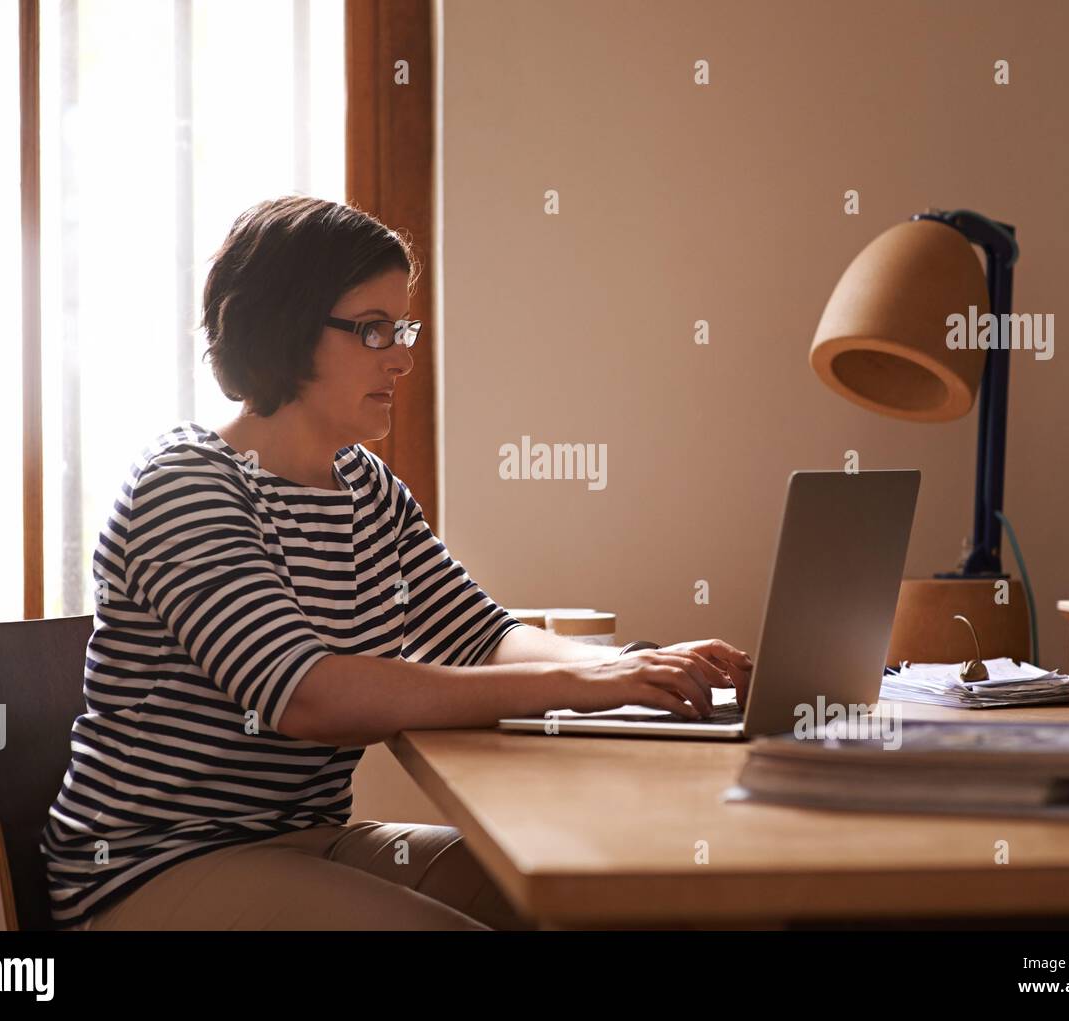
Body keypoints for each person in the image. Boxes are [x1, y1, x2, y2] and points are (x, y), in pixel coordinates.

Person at [39, 195, 753, 930]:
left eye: (400, 327)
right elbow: (307, 694)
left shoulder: (367, 488)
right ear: (285, 326)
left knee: (601, 898)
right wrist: (587, 681)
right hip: (151, 866)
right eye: (372, 330)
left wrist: (640, 667)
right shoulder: (186, 483)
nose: (404, 356)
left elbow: (481, 636)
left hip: (307, 842)